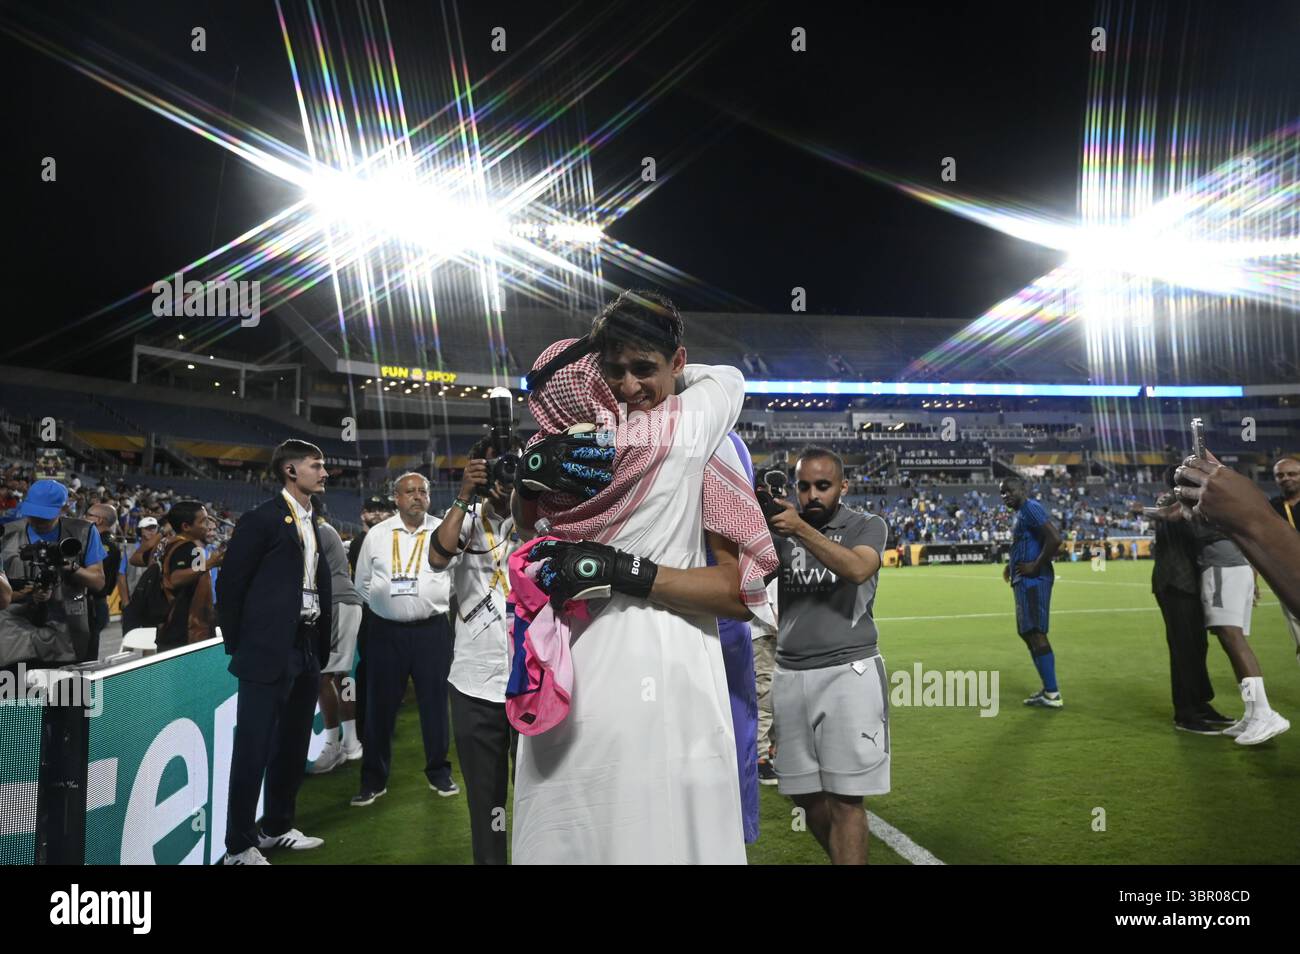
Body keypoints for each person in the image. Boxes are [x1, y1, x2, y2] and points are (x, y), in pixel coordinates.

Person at [507, 290, 776, 864]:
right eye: (615, 369)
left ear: (677, 363)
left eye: (644, 369)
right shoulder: (577, 445)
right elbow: (527, 532)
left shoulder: (702, 442)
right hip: (573, 682)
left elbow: (738, 592)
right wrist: (527, 485)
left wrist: (626, 572)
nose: (629, 386)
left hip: (666, 673)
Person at [766, 446, 889, 865]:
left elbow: (857, 569)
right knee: (802, 792)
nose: (813, 494)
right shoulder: (778, 531)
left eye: (823, 486)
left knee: (846, 798)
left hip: (848, 672)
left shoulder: (866, 525)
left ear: (843, 487)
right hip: (790, 672)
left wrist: (799, 529)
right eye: (804, 486)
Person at [217, 440, 331, 865]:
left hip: (305, 644)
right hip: (268, 650)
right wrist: (242, 645)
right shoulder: (260, 519)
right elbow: (231, 585)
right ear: (289, 470)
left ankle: (278, 825)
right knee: (253, 746)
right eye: (315, 465)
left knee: (292, 741)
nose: (324, 472)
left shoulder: (314, 520)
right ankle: (238, 845)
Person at [428, 441, 523, 864]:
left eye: (514, 463)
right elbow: (436, 557)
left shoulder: (539, 518)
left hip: (532, 680)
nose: (506, 475)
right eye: (497, 466)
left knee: (545, 793)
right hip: (474, 684)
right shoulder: (466, 519)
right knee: (488, 804)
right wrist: (465, 494)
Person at [352, 472, 458, 806]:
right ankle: (373, 779)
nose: (416, 496)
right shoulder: (378, 535)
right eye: (408, 491)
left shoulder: (444, 530)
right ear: (396, 498)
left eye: (422, 491)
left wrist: (427, 601)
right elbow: (363, 584)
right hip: (386, 632)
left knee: (435, 705)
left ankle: (439, 772)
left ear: (429, 497)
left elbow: (455, 580)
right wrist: (390, 607)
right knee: (379, 708)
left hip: (433, 631)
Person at [1132, 475, 1227, 734]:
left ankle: (1200, 704)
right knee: (1184, 646)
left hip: (1189, 583)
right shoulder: (1171, 501)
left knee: (1197, 645)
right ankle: (1185, 713)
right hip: (1176, 582)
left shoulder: (1182, 502)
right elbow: (1193, 530)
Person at [0, 479, 105, 666]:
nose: (38, 521)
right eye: (33, 514)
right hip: (13, 637)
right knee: (15, 692)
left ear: (64, 508)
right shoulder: (7, 533)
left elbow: (98, 582)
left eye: (45, 516)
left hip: (67, 635)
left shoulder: (84, 532)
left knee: (66, 693)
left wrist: (69, 567)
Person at [308, 498, 364, 773]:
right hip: (342, 602)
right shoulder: (325, 529)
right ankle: (350, 742)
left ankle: (334, 744)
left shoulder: (318, 530)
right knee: (342, 676)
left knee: (323, 676)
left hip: (338, 603)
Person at [999, 476, 1064, 708]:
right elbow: (1026, 543)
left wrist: (1035, 565)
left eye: (1009, 491)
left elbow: (1055, 539)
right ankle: (1048, 690)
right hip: (1024, 580)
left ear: (1022, 489)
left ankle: (1053, 693)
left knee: (1035, 632)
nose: (1005, 496)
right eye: (1002, 493)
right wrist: (1011, 565)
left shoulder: (1031, 508)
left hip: (1034, 580)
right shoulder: (1021, 514)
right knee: (1027, 632)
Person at [158, 500, 222, 650]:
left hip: (170, 624)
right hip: (183, 628)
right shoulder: (186, 547)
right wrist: (209, 564)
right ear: (186, 526)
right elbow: (176, 578)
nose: (207, 525)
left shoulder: (167, 544)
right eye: (203, 521)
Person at [1268, 456, 1300, 660]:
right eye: (1280, 475)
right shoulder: (1272, 507)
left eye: (1292, 473)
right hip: (1288, 579)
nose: (1286, 478)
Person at [85, 502, 123, 661]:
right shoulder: (106, 541)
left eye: (88, 515)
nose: (84, 518)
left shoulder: (102, 543)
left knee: (85, 656)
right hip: (95, 603)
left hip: (92, 603)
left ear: (99, 520)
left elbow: (93, 576)